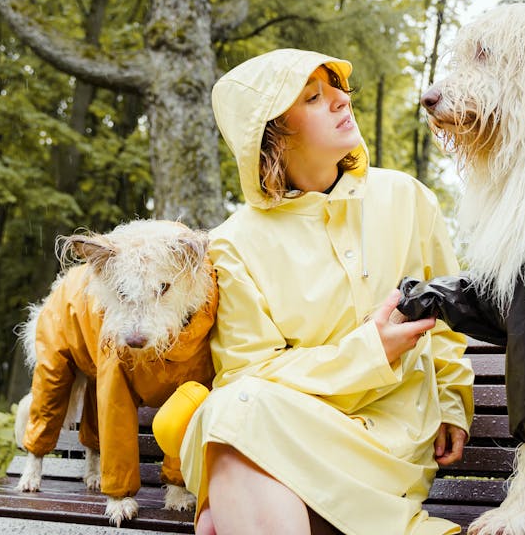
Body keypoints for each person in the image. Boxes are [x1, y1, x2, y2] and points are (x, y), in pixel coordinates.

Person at [178, 48, 475, 535]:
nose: (340, 100)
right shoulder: (232, 243)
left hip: (396, 437)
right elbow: (247, 374)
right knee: (231, 410)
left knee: (225, 492)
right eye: (313, 98)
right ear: (270, 136)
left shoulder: (407, 198)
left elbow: (448, 317)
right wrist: (368, 352)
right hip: (290, 435)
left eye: (336, 88)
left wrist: (453, 403)